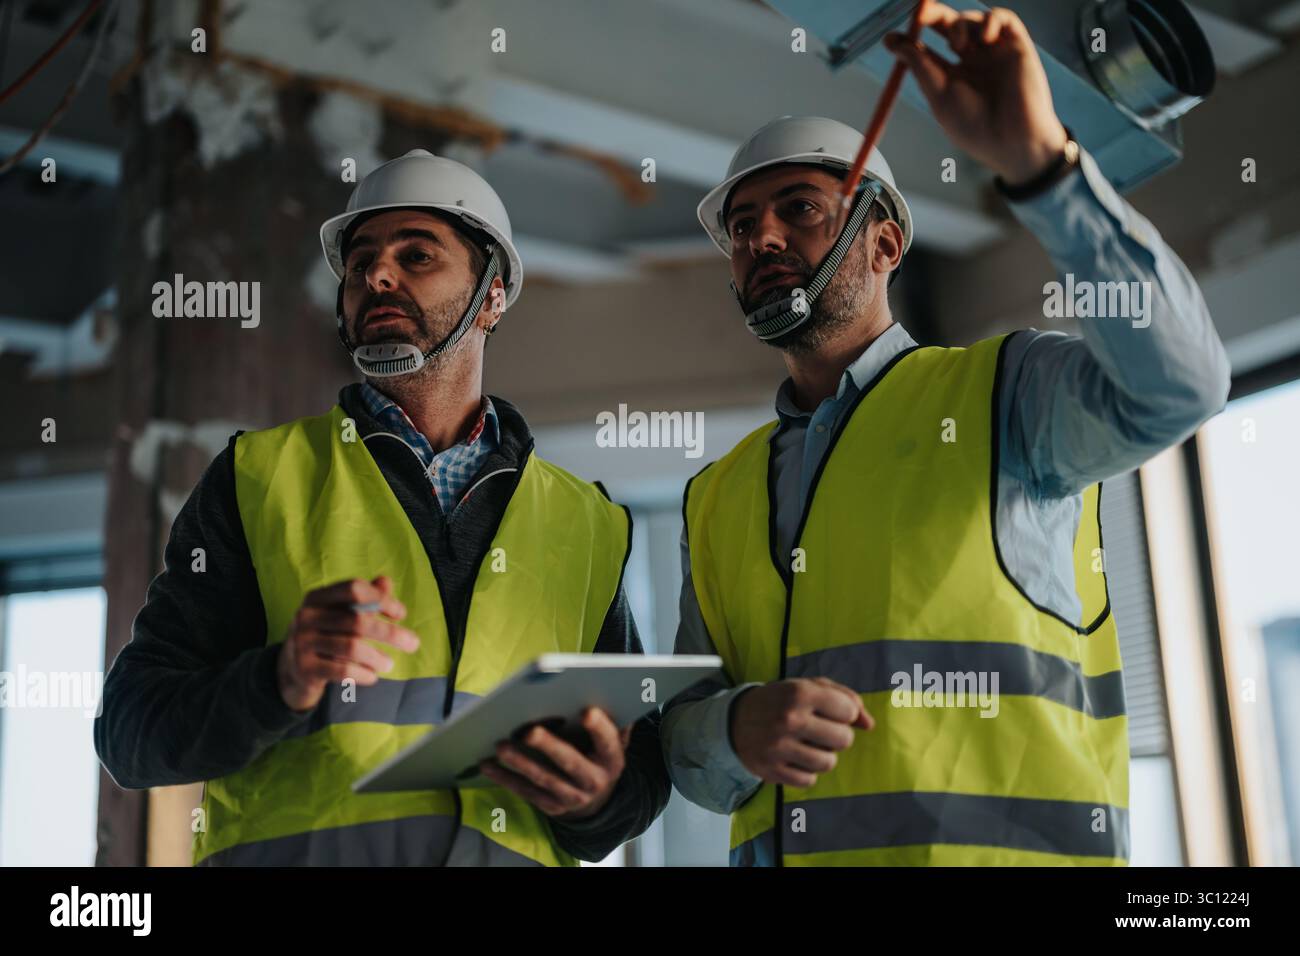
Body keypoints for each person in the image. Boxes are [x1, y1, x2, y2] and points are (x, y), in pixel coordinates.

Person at [662, 5, 1230, 866]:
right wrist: (731, 729)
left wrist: (1046, 171)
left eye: (800, 208)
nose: (762, 237)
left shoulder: (1004, 396)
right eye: (742, 228)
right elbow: (687, 751)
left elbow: (1180, 386)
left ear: (884, 241)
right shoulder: (715, 496)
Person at [95, 149, 669, 866]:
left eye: (417, 255)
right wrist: (282, 679)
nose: (376, 276)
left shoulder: (589, 524)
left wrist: (598, 800)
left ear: (492, 296)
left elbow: (642, 773)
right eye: (359, 261)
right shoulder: (258, 480)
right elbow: (130, 733)